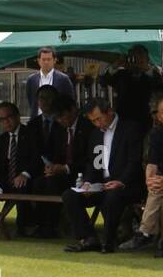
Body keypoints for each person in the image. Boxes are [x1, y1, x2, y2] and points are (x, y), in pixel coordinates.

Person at [62, 96, 145, 254]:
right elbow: (94, 164)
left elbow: (134, 161)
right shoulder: (95, 134)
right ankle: (88, 238)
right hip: (103, 184)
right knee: (70, 196)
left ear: (109, 111)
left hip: (127, 185)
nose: (97, 124)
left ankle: (108, 241)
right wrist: (87, 183)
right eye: (93, 121)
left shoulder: (130, 129)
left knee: (112, 196)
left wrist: (121, 181)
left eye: (99, 119)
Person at [120, 91, 163, 257]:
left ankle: (145, 233)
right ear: (158, 115)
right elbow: (152, 163)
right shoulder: (158, 134)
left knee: (161, 189)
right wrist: (150, 180)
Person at [0, 102, 44, 236]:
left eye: (9, 117)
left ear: (17, 116)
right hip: (6, 180)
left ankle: (24, 226)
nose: (6, 122)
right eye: (2, 120)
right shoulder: (1, 140)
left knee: (23, 186)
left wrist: (24, 174)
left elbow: (37, 159)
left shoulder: (31, 134)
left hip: (25, 179)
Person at [103, 45, 163, 126]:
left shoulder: (153, 75)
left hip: (145, 120)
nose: (136, 62)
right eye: (133, 58)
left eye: (140, 58)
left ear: (147, 59)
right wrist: (116, 65)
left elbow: (161, 88)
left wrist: (146, 69)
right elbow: (105, 81)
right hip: (124, 120)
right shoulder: (122, 74)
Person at [25, 47, 75, 117]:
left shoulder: (63, 79)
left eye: (49, 59)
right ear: (38, 61)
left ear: (54, 60)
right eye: (43, 59)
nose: (46, 62)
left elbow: (70, 101)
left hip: (57, 120)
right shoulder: (32, 80)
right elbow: (31, 100)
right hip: (37, 120)